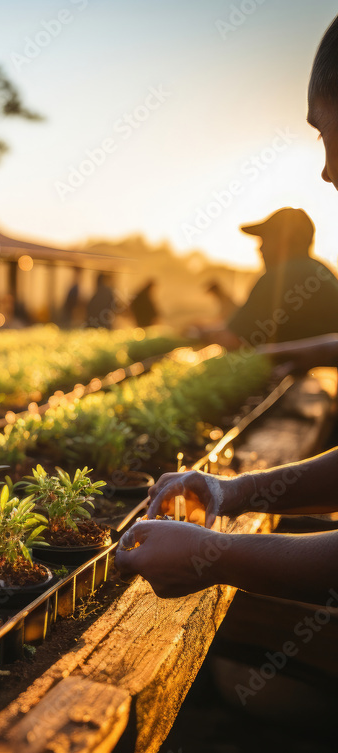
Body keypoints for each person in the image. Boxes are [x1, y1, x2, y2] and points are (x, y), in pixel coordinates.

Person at [115, 17, 338, 605]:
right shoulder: (319, 272)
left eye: (322, 132)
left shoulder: (285, 274)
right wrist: (231, 493)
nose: (327, 170)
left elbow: (237, 337)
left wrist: (214, 556)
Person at [205, 207, 338, 349]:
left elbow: (233, 340)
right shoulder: (320, 270)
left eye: (264, 239)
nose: (259, 248)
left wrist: (200, 335)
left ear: (284, 239)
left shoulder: (278, 278)